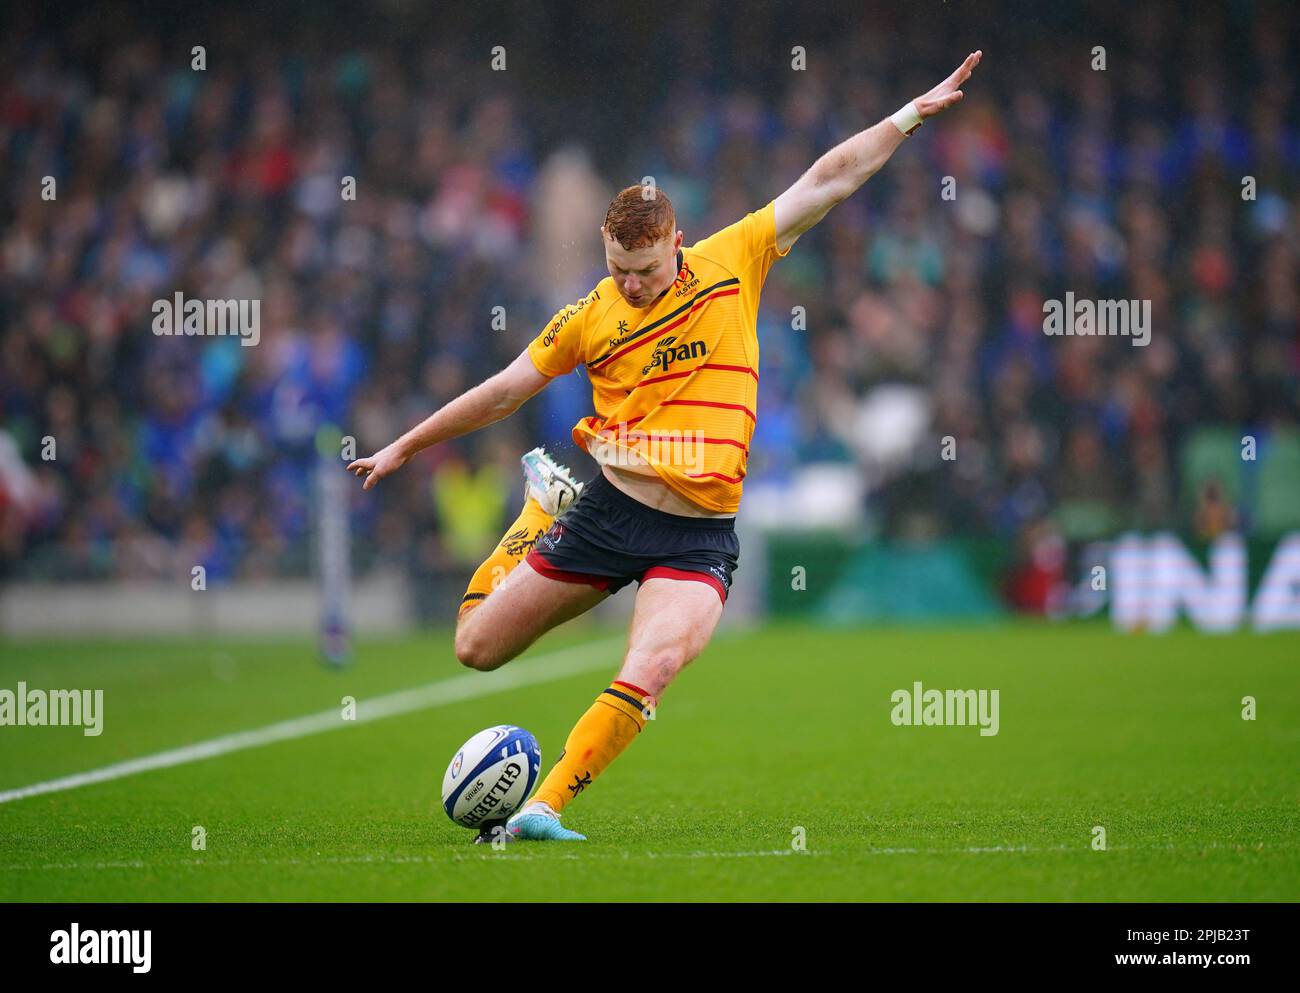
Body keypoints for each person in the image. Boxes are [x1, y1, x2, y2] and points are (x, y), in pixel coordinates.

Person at [348, 51, 983, 841]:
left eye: (644, 270)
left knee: (650, 667)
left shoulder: (733, 260)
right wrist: (405, 444)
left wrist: (910, 114)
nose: (632, 284)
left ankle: (544, 807)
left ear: (677, 243)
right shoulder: (590, 313)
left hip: (697, 535)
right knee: (475, 646)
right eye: (618, 269)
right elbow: (508, 387)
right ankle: (536, 512)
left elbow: (830, 176)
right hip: (608, 514)